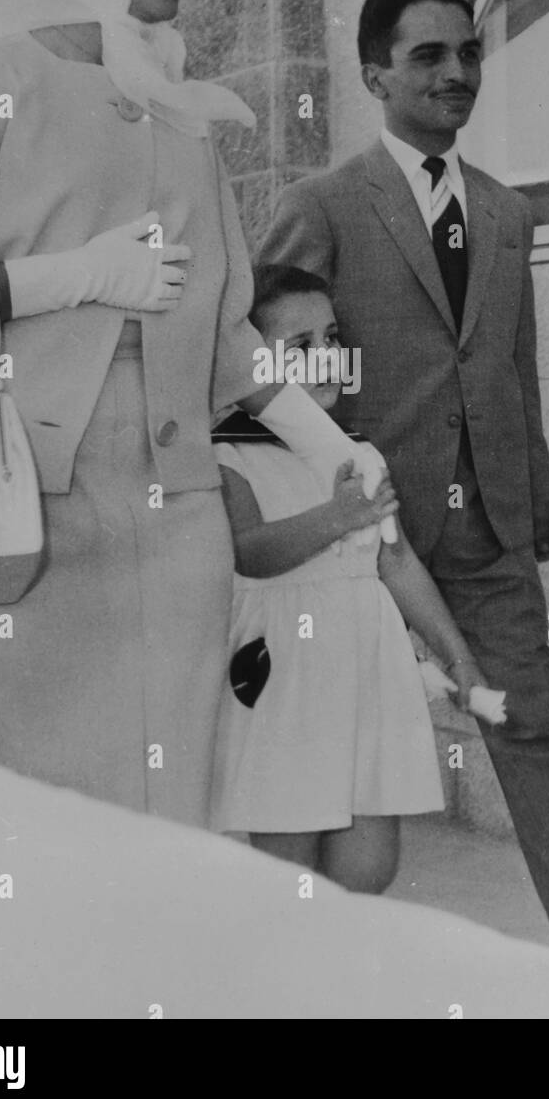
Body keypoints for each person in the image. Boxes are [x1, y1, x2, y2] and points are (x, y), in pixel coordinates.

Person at [0, 0, 381, 827]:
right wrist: (69, 279)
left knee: (171, 810)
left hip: (175, 518)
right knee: (36, 821)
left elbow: (230, 335)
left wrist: (333, 446)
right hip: (20, 516)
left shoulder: (179, 107)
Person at [257, 0, 549, 963]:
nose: (456, 72)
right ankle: (283, 945)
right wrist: (306, 493)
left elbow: (508, 364)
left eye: (467, 53)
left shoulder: (503, 213)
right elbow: (266, 365)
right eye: (428, 56)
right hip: (363, 527)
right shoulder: (322, 205)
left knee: (529, 713)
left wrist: (534, 491)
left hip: (487, 518)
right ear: (373, 72)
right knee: (326, 739)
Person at [211, 264, 495, 892]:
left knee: (368, 869)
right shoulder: (229, 452)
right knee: (283, 870)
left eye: (333, 338)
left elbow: (395, 561)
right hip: (287, 677)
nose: (328, 356)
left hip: (364, 673)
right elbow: (249, 551)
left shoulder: (358, 452)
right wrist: (336, 516)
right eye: (302, 347)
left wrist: (459, 658)